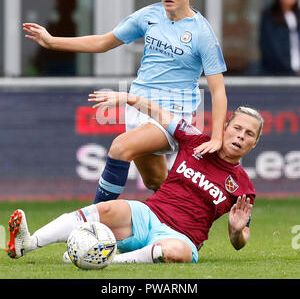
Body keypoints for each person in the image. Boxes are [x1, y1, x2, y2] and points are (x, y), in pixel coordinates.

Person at [23, 0, 227, 203]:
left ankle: (93, 224)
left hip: (173, 112)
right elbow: (103, 41)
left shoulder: (202, 32)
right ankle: (186, 221)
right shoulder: (149, 16)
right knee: (155, 182)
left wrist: (217, 138)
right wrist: (52, 42)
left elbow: (218, 92)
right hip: (138, 105)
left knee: (120, 147)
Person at [6, 91, 263, 264]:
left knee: (176, 252)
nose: (240, 136)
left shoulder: (243, 188)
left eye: (249, 134)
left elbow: (239, 243)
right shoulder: (195, 139)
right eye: (237, 128)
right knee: (104, 209)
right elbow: (158, 112)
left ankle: (108, 258)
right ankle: (27, 243)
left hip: (182, 238)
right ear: (225, 128)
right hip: (147, 216)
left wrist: (237, 231)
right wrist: (126, 97)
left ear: (254, 143)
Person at [259, 0, 300, 76]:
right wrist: (292, 71)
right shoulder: (269, 16)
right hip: (279, 75)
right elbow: (272, 48)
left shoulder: (297, 15)